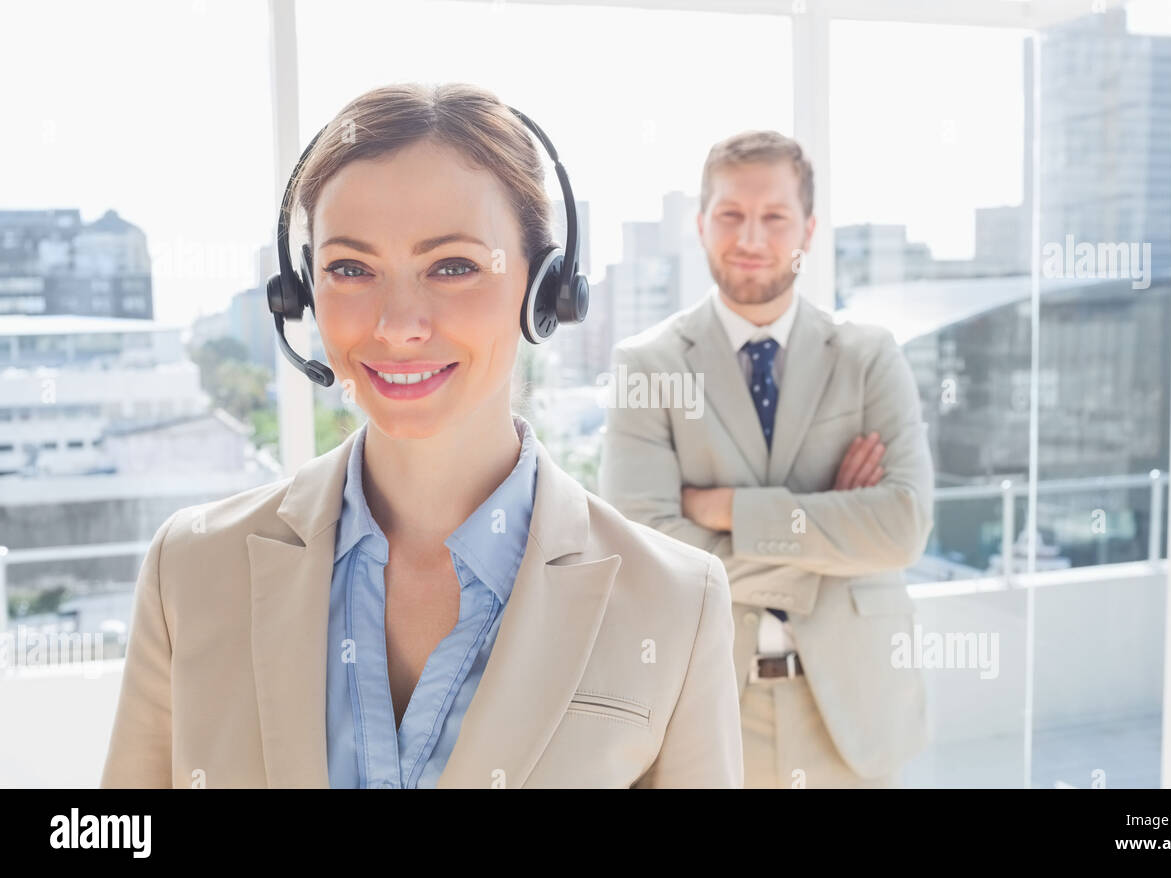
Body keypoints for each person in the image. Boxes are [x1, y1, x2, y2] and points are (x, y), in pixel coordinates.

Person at [101, 82, 741, 789]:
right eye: (351, 268)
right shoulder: (191, 570)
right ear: (301, 291)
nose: (398, 323)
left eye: (453, 266)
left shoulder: (675, 605)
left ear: (545, 290)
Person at [599, 130, 935, 788]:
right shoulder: (647, 365)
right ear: (701, 224)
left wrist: (724, 512)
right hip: (707, 709)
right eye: (731, 215)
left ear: (807, 230)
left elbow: (901, 526)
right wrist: (835, 536)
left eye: (774, 217)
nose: (751, 237)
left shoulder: (869, 357)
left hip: (854, 716)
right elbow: (647, 553)